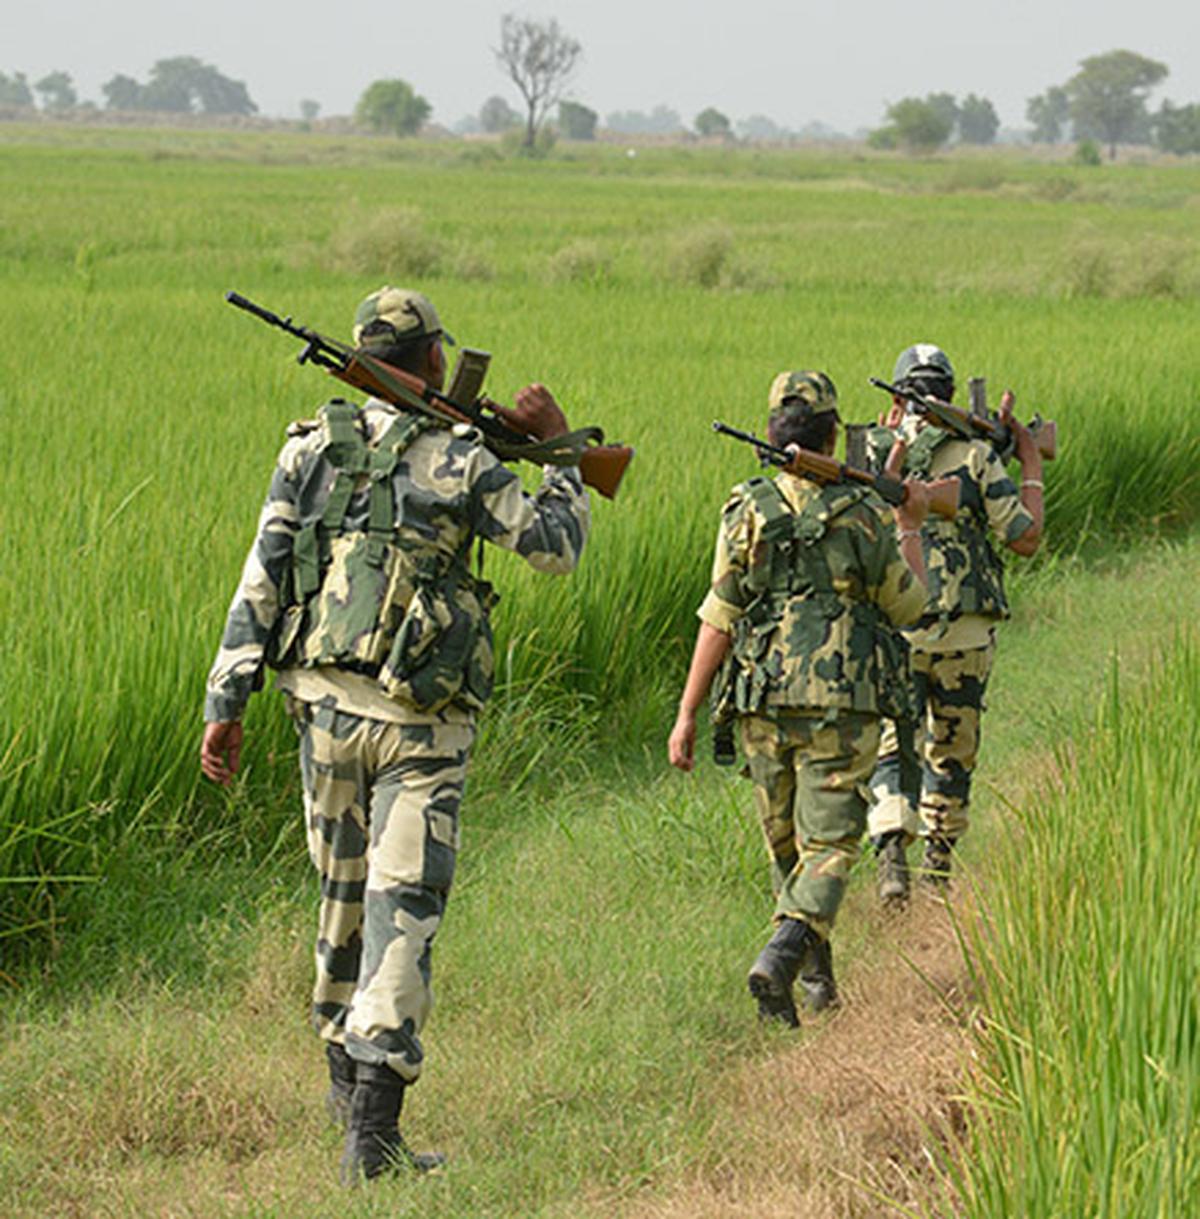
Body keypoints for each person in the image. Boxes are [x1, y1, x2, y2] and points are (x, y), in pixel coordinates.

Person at [200, 285, 590, 1183]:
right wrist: (561, 454)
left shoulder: (310, 447)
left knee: (342, 897)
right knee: (402, 909)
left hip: (320, 711)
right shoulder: (460, 458)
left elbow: (262, 576)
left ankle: (346, 1092)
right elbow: (555, 547)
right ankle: (370, 1135)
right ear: (435, 363)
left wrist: (227, 700)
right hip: (419, 718)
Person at [668, 370, 930, 1027]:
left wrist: (686, 712)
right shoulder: (866, 513)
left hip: (761, 700)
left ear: (771, 433)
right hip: (840, 706)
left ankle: (814, 986)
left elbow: (719, 614)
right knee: (831, 847)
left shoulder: (746, 507)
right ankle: (785, 958)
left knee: (786, 849)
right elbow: (910, 606)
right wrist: (911, 527)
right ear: (834, 434)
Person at [866, 344, 1043, 903]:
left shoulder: (870, 453)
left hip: (897, 626)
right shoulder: (975, 456)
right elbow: (1024, 539)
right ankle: (938, 863)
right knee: (953, 743)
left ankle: (892, 850)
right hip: (965, 630)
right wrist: (1030, 463)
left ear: (899, 397)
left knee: (893, 740)